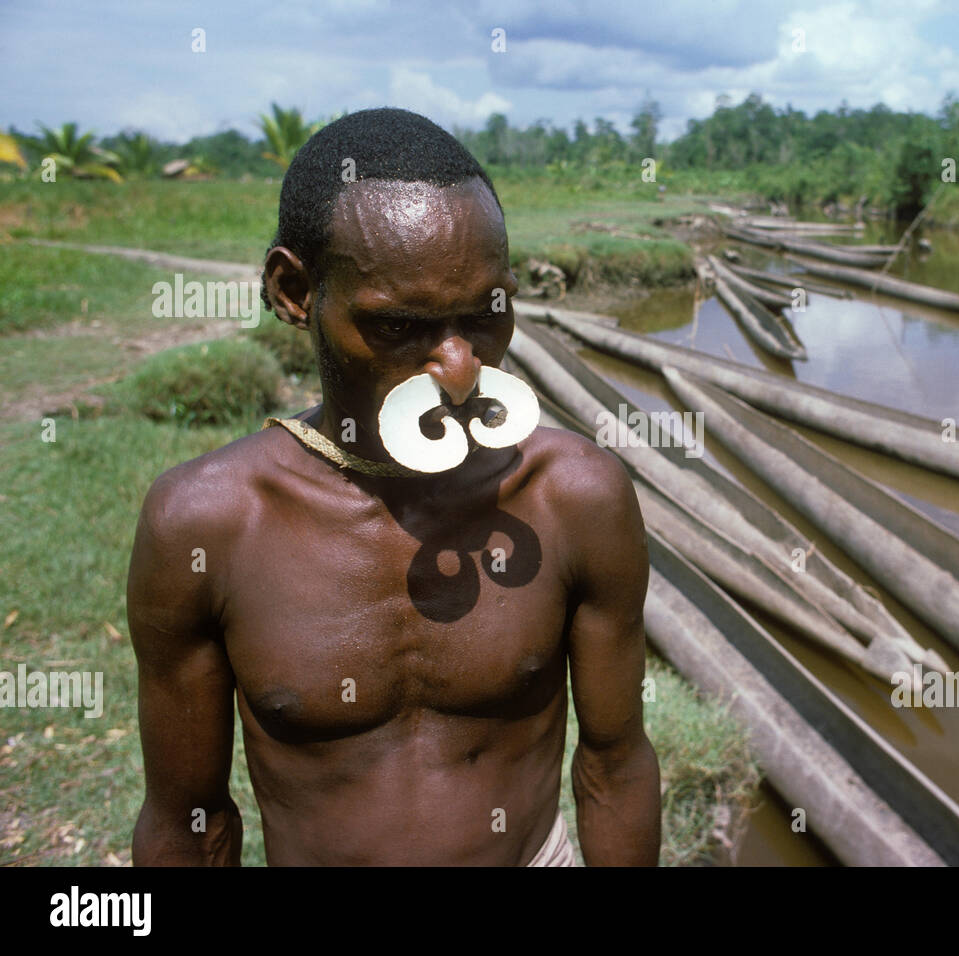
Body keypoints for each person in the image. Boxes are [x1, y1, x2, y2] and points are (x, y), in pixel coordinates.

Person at [127, 108, 661, 866]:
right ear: (292, 292)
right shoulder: (206, 526)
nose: (459, 366)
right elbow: (189, 819)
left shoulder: (574, 496)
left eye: (485, 315)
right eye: (401, 325)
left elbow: (616, 765)